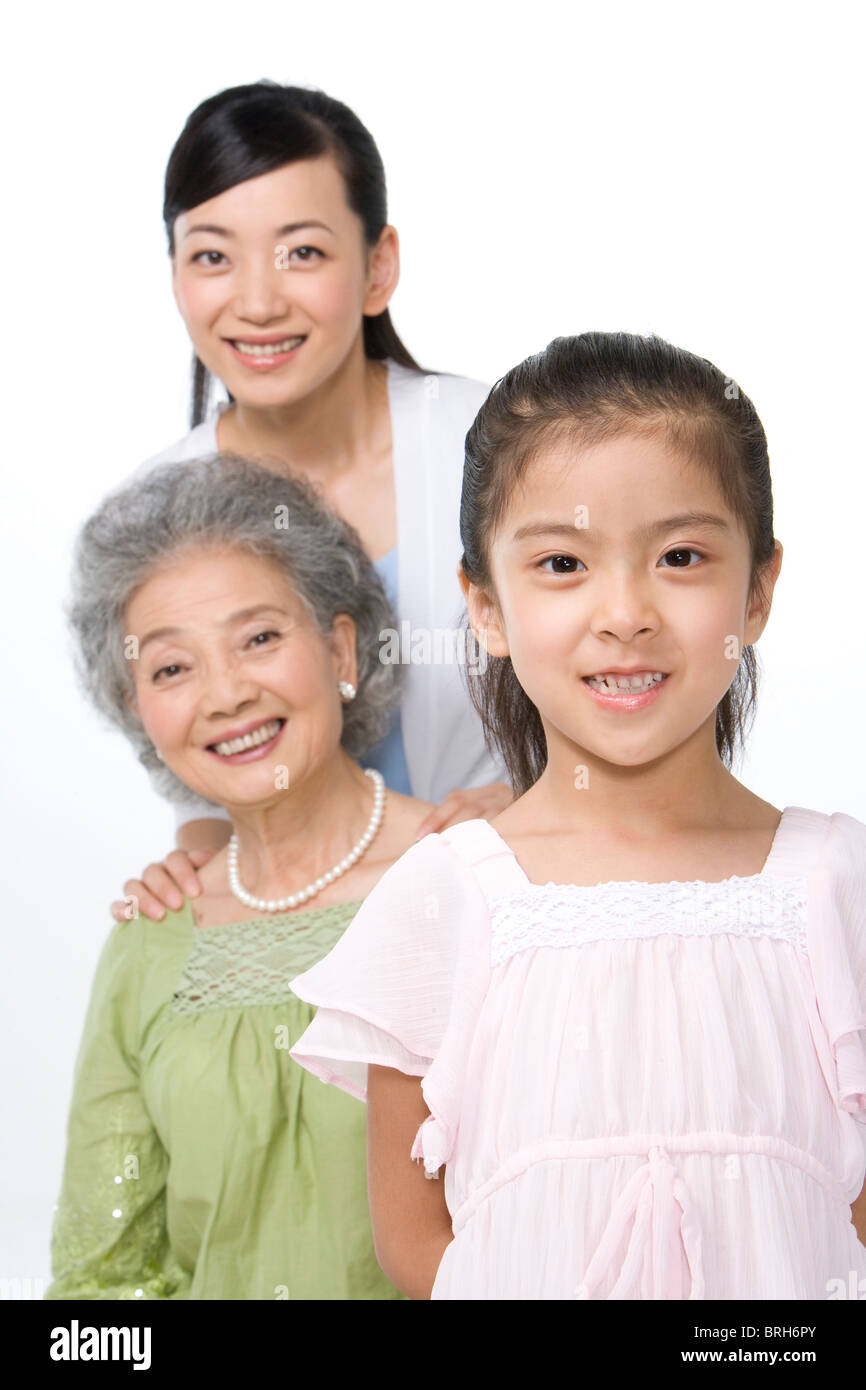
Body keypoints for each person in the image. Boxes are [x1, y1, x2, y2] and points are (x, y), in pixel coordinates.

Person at [285, 331, 866, 1300]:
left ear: (757, 587)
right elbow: (412, 1238)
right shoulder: (443, 897)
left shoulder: (831, 883)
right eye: (561, 564)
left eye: (679, 555)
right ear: (484, 606)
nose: (624, 611)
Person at [114, 80, 512, 923]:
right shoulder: (157, 513)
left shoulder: (500, 441)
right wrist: (191, 877)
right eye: (212, 255)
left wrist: (534, 806)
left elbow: (616, 671)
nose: (257, 302)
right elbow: (206, 757)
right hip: (300, 938)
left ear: (378, 266)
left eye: (301, 251)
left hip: (506, 898)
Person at [46, 454, 437, 1299]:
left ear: (339, 648)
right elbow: (98, 1279)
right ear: (139, 712)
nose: (224, 695)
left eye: (259, 638)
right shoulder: (151, 937)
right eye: (171, 668)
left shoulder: (460, 885)